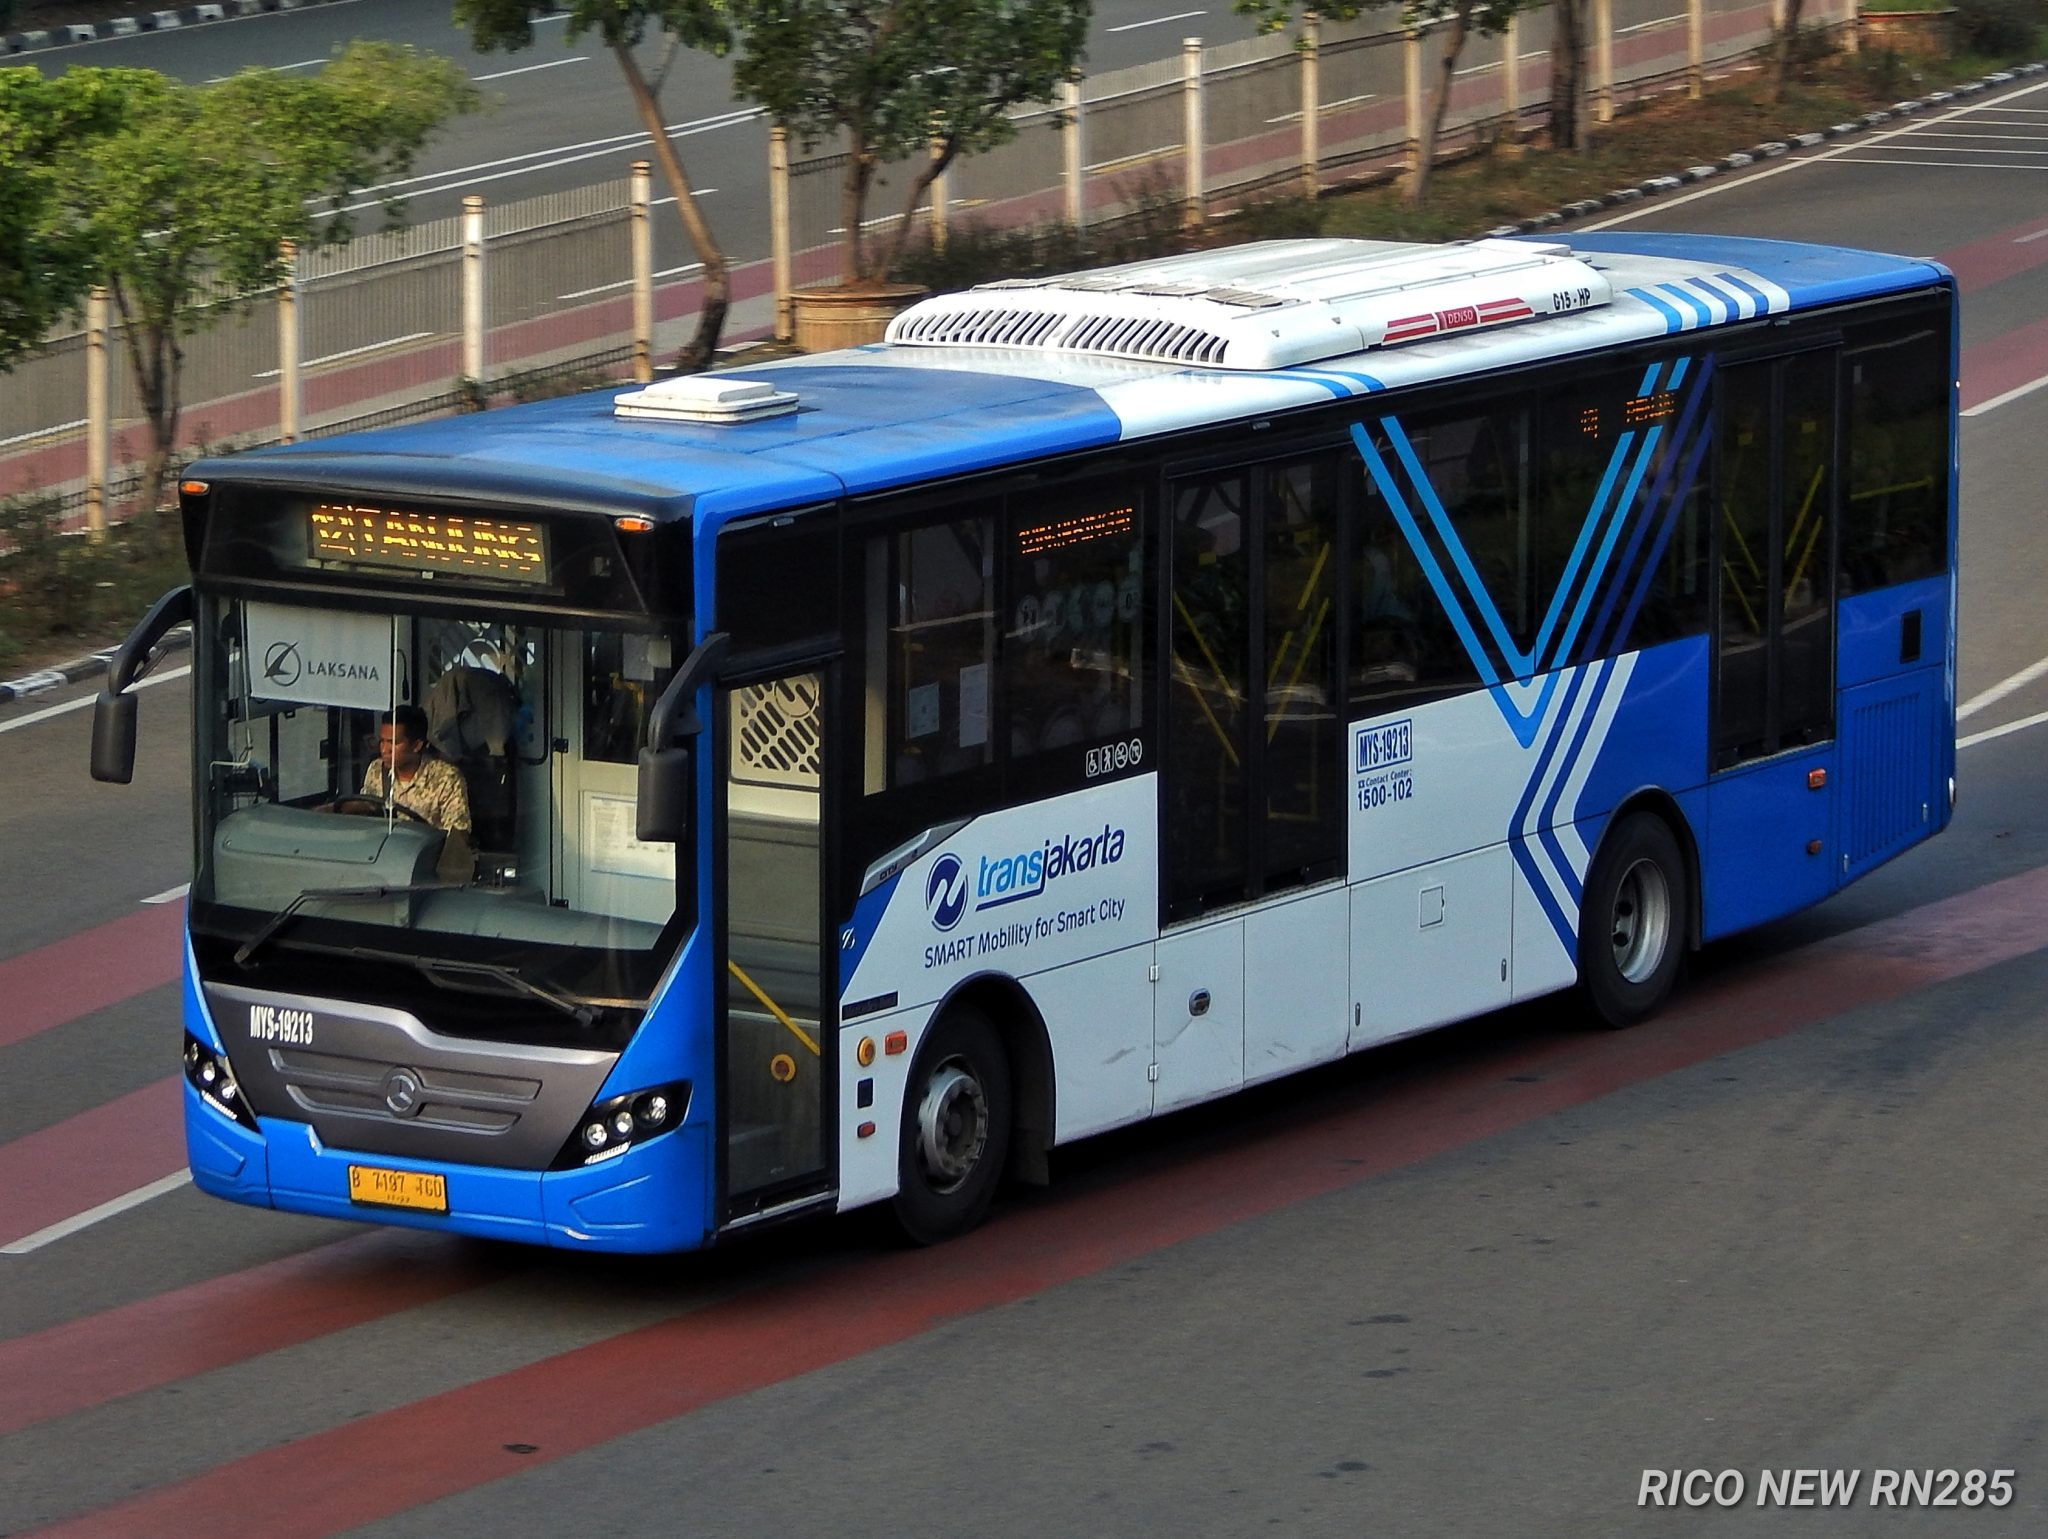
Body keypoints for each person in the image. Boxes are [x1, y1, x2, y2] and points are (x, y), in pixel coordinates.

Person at [359, 704, 473, 836]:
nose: (385, 750)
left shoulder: (446, 778)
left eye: (394, 743)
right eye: (382, 741)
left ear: (417, 745)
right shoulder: (376, 770)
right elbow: (367, 806)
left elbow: (458, 836)